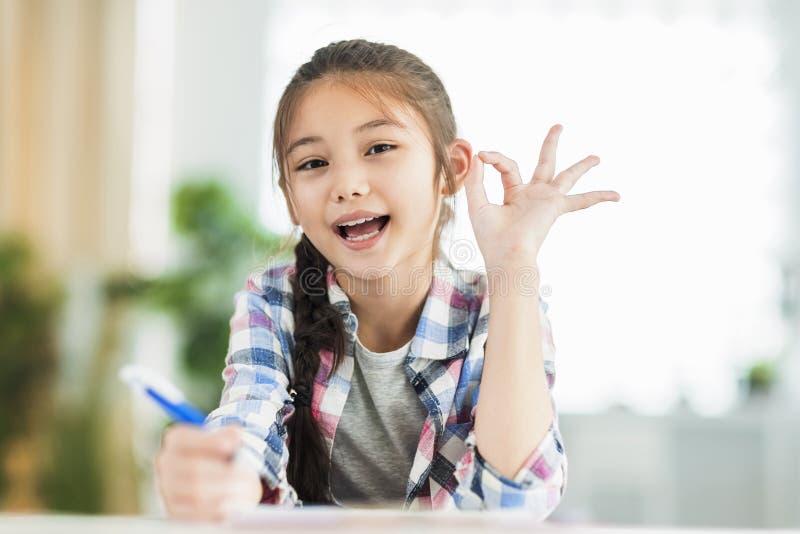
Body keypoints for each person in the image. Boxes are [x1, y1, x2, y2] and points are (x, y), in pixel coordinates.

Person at [154, 38, 620, 522]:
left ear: (451, 169)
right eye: (313, 163)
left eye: (379, 147)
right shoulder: (272, 301)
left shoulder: (502, 307)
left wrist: (514, 261)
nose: (348, 184)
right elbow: (249, 420)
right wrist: (228, 475)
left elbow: (515, 499)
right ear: (291, 200)